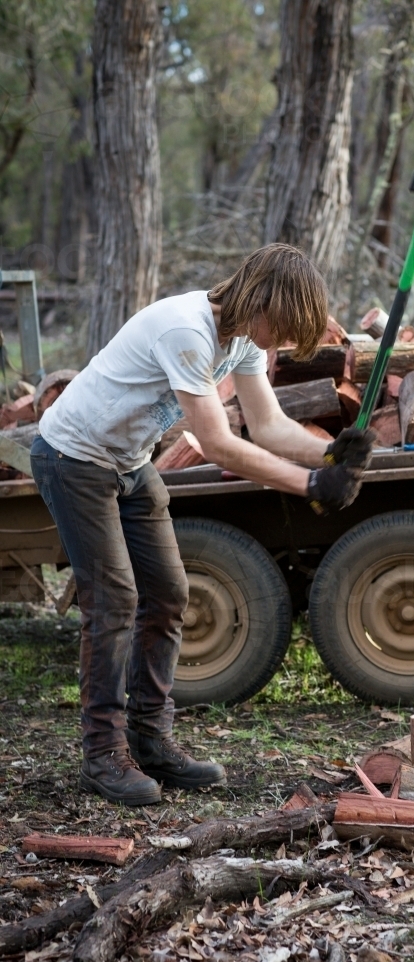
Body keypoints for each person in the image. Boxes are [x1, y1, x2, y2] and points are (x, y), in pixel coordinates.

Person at [30, 244, 374, 806]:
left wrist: (331, 454)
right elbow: (218, 443)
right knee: (114, 600)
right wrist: (311, 487)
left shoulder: (241, 338)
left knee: (168, 592)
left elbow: (268, 426)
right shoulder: (186, 330)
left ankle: (151, 739)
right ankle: (102, 755)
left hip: (128, 461)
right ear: (260, 298)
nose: (279, 342)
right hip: (73, 457)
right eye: (281, 327)